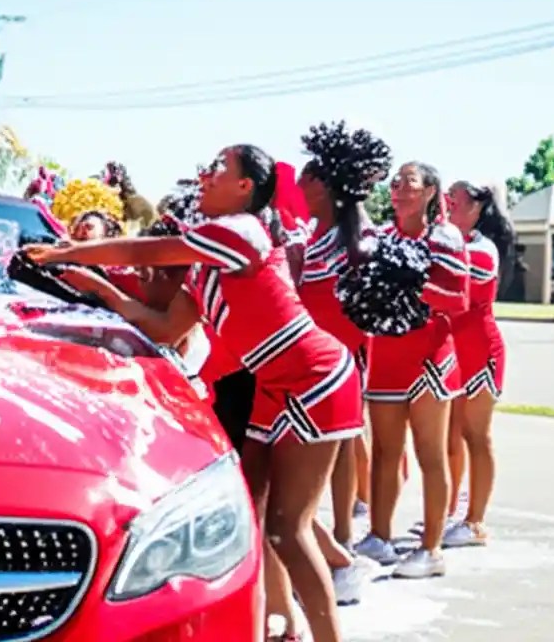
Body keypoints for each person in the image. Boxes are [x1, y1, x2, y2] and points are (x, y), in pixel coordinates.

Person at [24, 144, 361, 642]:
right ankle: (276, 627)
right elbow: (164, 328)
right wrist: (99, 288)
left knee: (288, 529)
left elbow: (144, 252)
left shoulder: (243, 231)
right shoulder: (206, 267)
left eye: (219, 168)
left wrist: (66, 251)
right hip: (275, 386)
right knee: (251, 516)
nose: (205, 175)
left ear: (245, 187)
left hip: (315, 380)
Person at [354, 162, 469, 579]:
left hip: (429, 357)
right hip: (386, 355)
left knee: (429, 453)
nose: (399, 188)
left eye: (410, 182)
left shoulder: (444, 237)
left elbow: (459, 299)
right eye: (395, 182)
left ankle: (431, 548)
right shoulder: (380, 238)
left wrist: (411, 285)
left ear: (430, 192)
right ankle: (379, 536)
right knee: (385, 452)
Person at [294, 121, 391, 577]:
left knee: (342, 445)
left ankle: (344, 540)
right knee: (320, 449)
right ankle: (326, 540)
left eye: (307, 178)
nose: (299, 185)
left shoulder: (360, 240)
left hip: (340, 360)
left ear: (326, 186)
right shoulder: (310, 235)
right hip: (304, 358)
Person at [443, 180, 513, 547]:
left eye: (455, 198)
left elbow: (455, 291)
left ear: (476, 208)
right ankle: (449, 511)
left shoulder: (482, 250)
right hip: (453, 352)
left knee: (476, 435)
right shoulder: (451, 242)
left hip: (481, 351)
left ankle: (475, 521)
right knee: (450, 437)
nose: (448, 202)